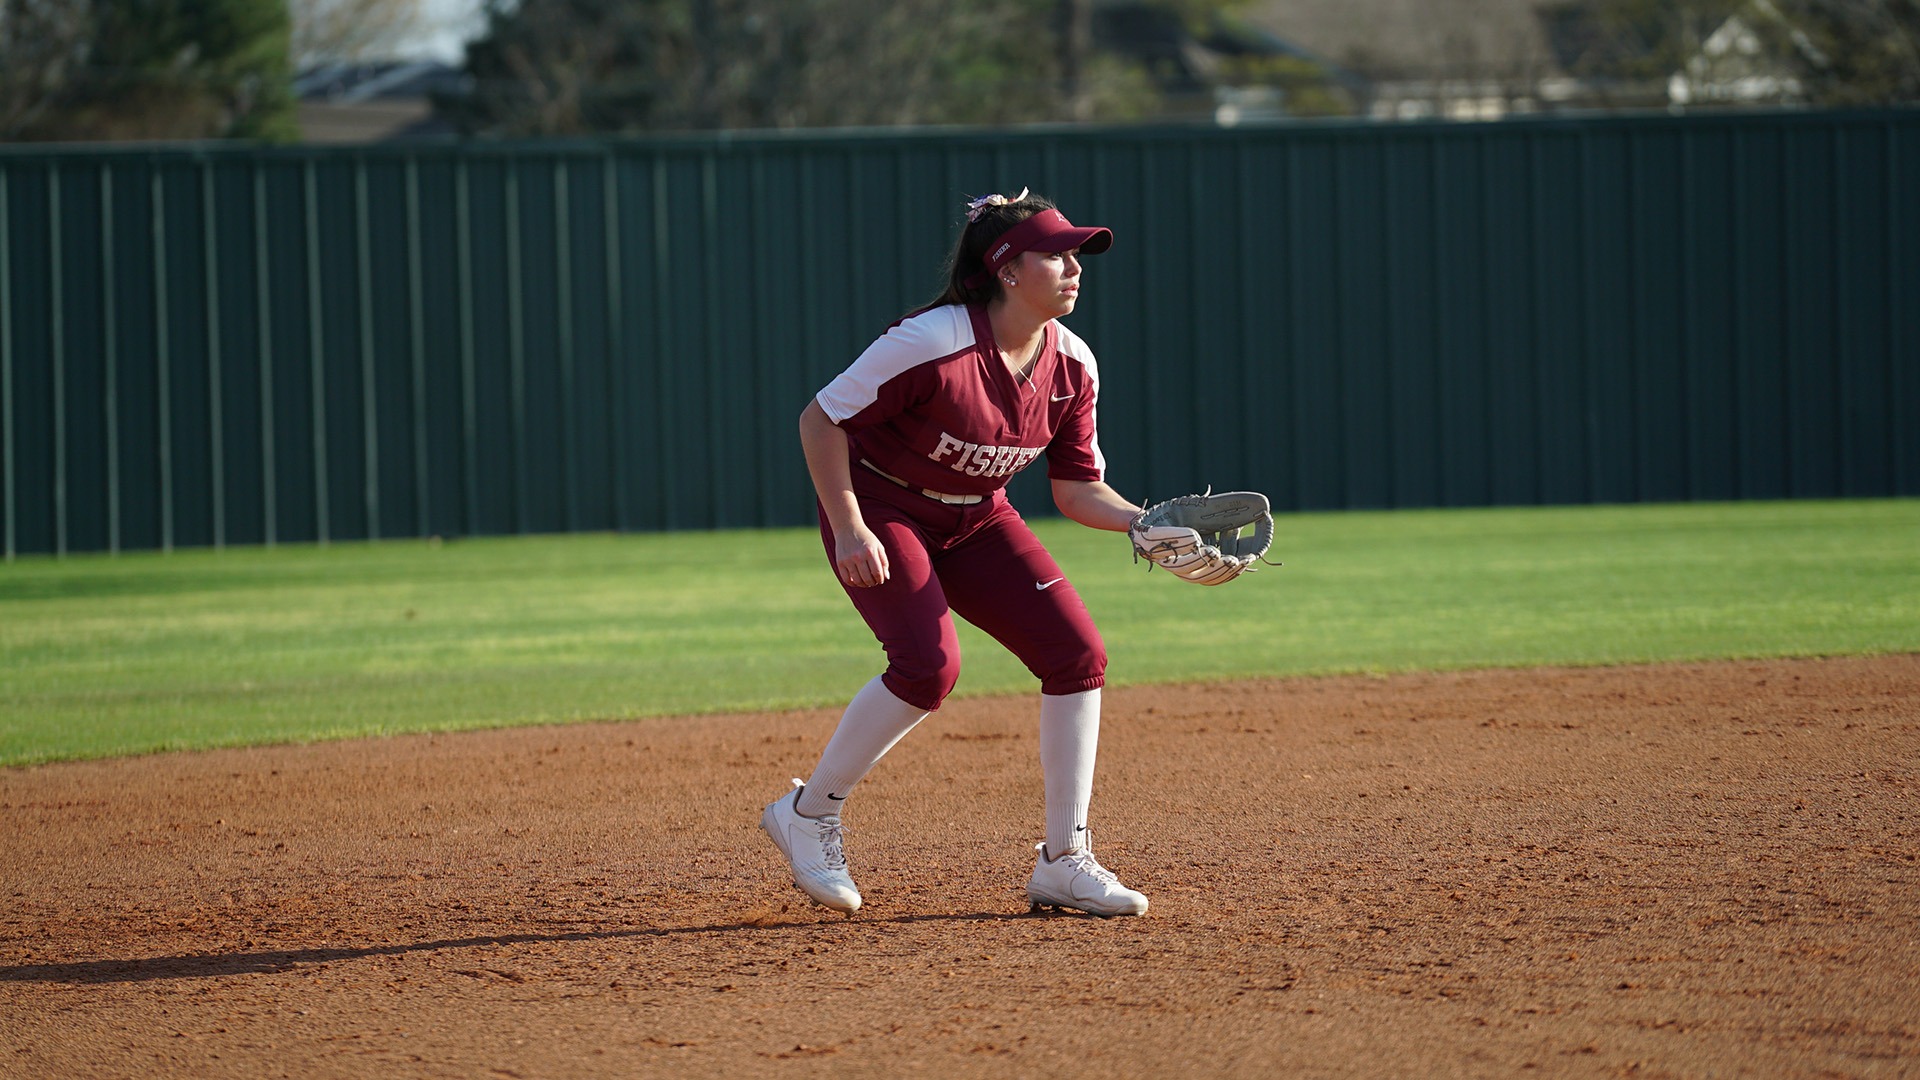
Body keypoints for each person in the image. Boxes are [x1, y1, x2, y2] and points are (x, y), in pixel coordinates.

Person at [761, 187, 1152, 918]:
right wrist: (850, 526)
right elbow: (821, 419)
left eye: (1078, 256)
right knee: (929, 666)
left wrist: (1143, 523)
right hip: (882, 507)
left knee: (1077, 653)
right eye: (1056, 254)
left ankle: (1065, 861)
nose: (1074, 268)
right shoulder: (935, 340)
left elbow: (1076, 490)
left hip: (978, 519)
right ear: (1006, 270)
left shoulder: (1073, 365)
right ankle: (808, 814)